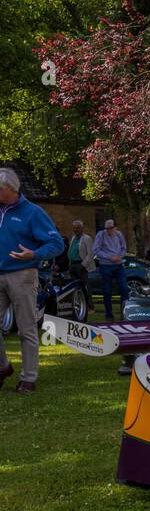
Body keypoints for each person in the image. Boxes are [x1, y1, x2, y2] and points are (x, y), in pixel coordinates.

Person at [0, 168, 64, 394]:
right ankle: (3, 367)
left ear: (11, 189)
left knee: (25, 329)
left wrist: (34, 254)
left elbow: (57, 244)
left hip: (23, 275)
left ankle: (28, 378)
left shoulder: (32, 212)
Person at [92, 219, 130, 321]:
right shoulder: (101, 234)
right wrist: (109, 257)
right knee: (107, 290)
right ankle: (109, 315)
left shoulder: (119, 234)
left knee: (124, 288)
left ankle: (124, 313)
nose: (109, 230)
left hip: (118, 265)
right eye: (107, 229)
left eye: (111, 228)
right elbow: (95, 249)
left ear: (115, 227)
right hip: (105, 266)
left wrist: (119, 256)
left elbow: (124, 248)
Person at [66, 220, 94, 289]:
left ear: (82, 228)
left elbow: (90, 254)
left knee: (84, 286)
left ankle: (87, 300)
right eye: (74, 228)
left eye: (78, 228)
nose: (75, 230)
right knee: (75, 287)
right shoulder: (73, 238)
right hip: (72, 264)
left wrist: (83, 265)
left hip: (81, 265)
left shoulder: (87, 238)